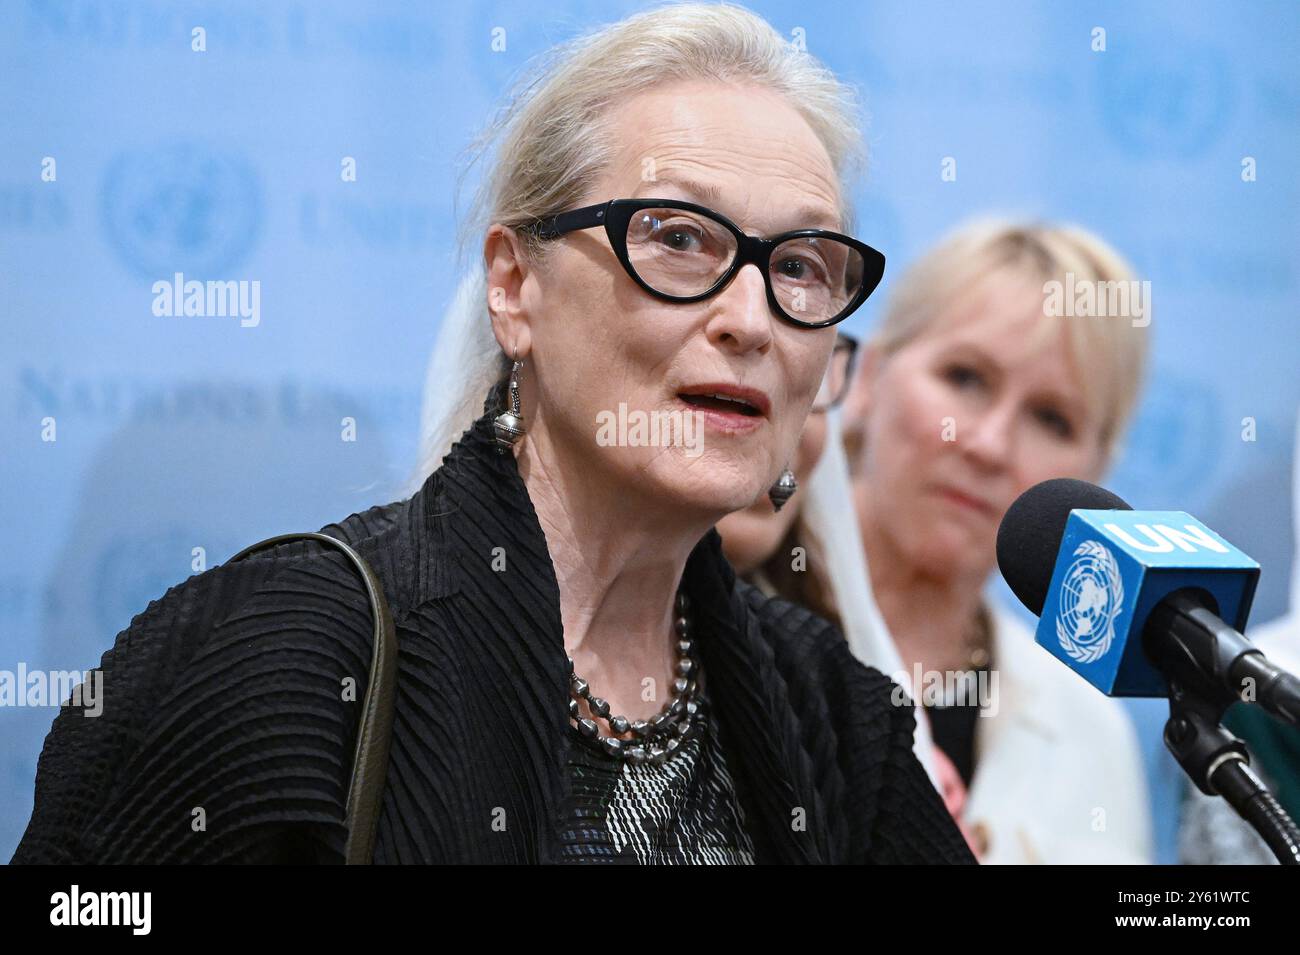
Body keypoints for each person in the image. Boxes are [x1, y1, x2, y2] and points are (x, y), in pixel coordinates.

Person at [13, 4, 974, 864]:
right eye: (679, 238)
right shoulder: (282, 656)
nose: (752, 320)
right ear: (515, 288)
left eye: (799, 263)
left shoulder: (842, 719)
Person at [839, 218, 1155, 863]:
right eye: (964, 378)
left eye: (1051, 418)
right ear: (869, 378)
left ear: (1093, 472)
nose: (988, 445)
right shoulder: (703, 630)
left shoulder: (1089, 731)